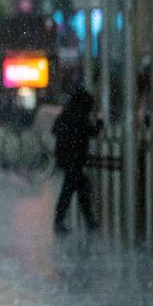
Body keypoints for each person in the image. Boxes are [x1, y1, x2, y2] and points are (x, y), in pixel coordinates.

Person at [52, 88, 101, 233]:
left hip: (67, 159)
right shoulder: (79, 117)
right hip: (74, 159)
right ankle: (61, 220)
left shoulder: (66, 114)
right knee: (71, 190)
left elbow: (54, 129)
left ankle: (88, 220)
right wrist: (99, 121)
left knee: (79, 189)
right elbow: (92, 132)